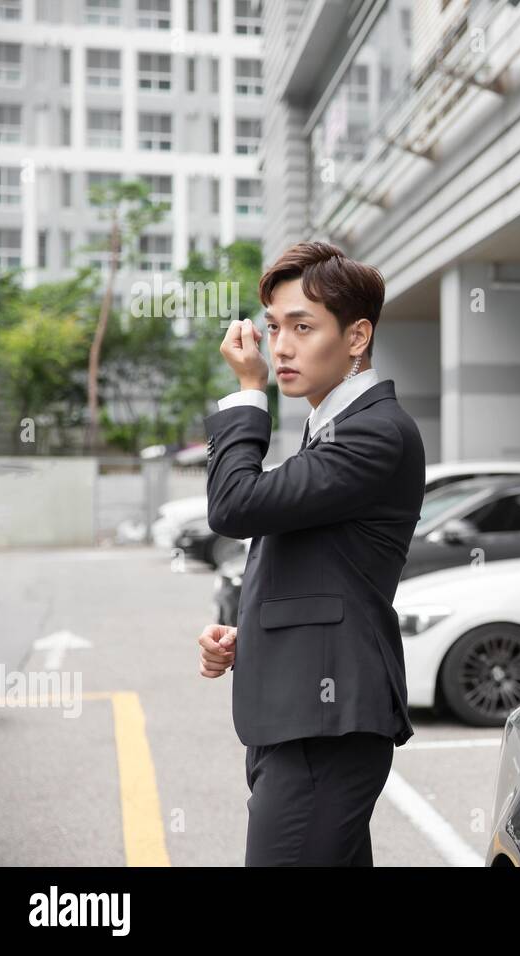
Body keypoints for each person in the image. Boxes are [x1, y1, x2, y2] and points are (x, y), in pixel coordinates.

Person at [196, 240, 426, 866]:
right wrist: (252, 633)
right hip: (305, 716)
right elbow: (328, 573)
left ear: (357, 338)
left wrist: (249, 393)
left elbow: (236, 506)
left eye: (303, 326)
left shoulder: (376, 431)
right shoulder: (330, 426)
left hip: (328, 724)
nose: (281, 347)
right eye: (273, 327)